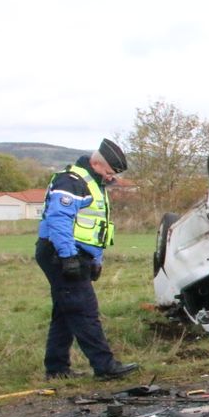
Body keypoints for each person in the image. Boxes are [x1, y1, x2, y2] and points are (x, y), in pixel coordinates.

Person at [36, 139, 139, 380]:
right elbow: (59, 220)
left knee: (65, 312)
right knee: (84, 311)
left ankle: (57, 369)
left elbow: (95, 227)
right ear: (95, 163)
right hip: (60, 253)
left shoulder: (92, 183)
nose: (110, 177)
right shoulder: (71, 182)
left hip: (75, 253)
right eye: (108, 172)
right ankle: (105, 367)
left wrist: (96, 259)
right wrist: (69, 257)